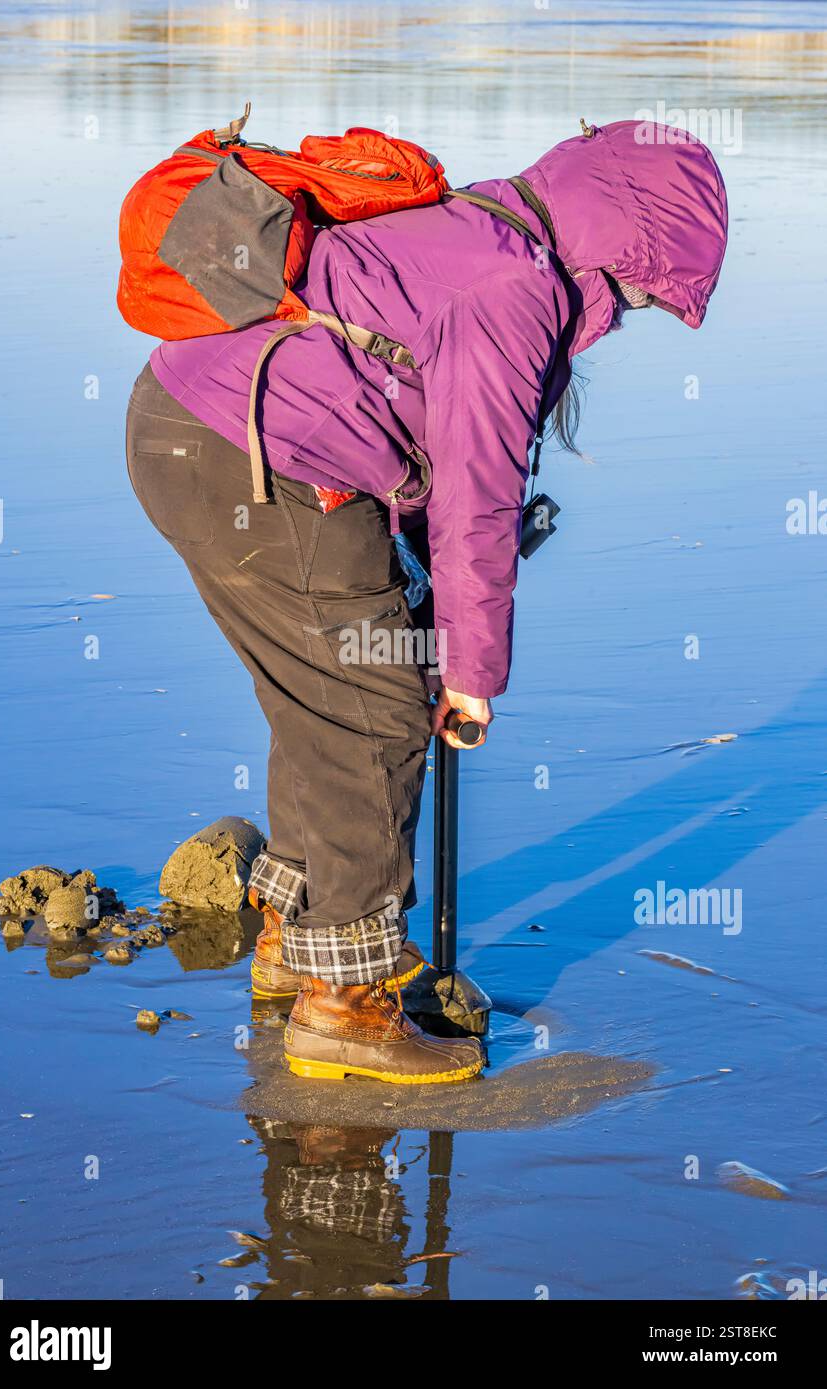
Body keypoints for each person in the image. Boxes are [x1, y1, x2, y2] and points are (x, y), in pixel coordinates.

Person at [125, 119, 728, 1085]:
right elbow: (476, 491)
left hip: (202, 431)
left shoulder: (488, 229)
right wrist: (474, 675)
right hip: (248, 461)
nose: (624, 312)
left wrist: (439, 620)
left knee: (328, 694)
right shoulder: (512, 286)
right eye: (636, 289)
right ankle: (345, 1008)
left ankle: (300, 934)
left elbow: (415, 443)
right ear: (616, 236)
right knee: (375, 711)